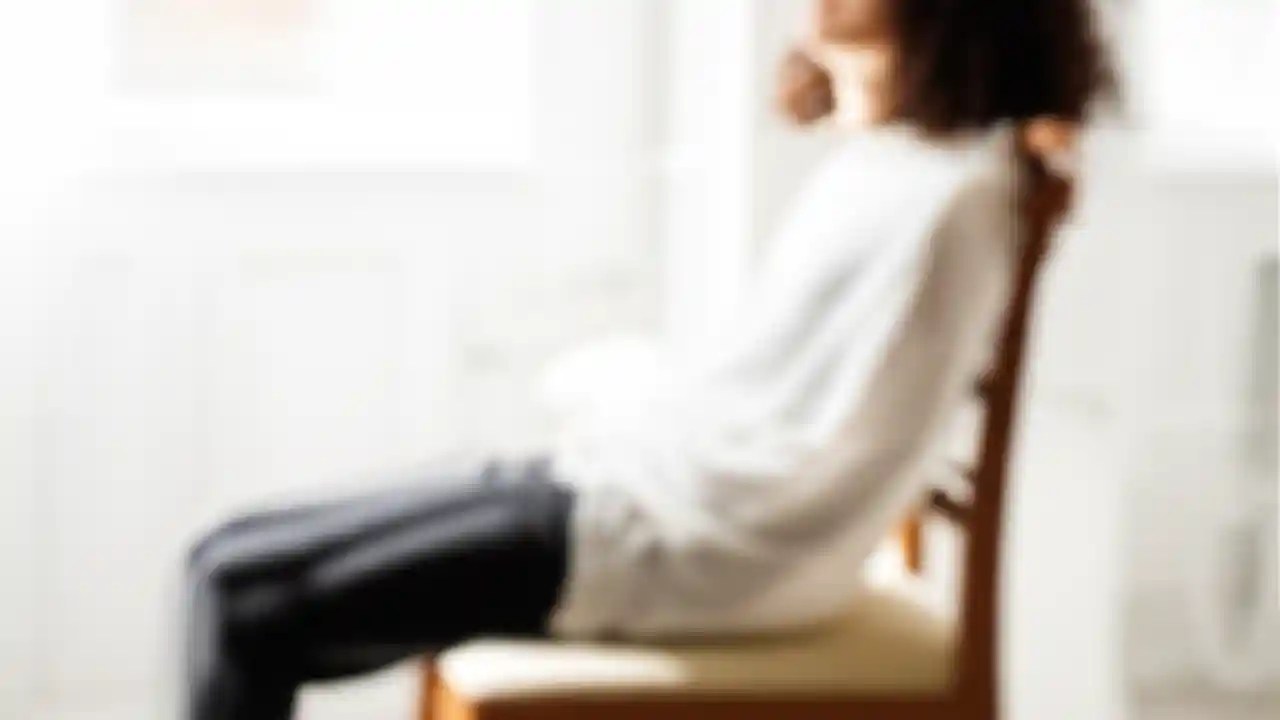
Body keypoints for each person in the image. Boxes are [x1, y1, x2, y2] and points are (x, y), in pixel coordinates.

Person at [183, 1, 1112, 718]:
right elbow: (773, 404)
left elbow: (815, 472)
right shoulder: (900, 167)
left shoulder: (950, 201)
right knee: (223, 557)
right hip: (640, 485)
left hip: (683, 538)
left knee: (246, 599)